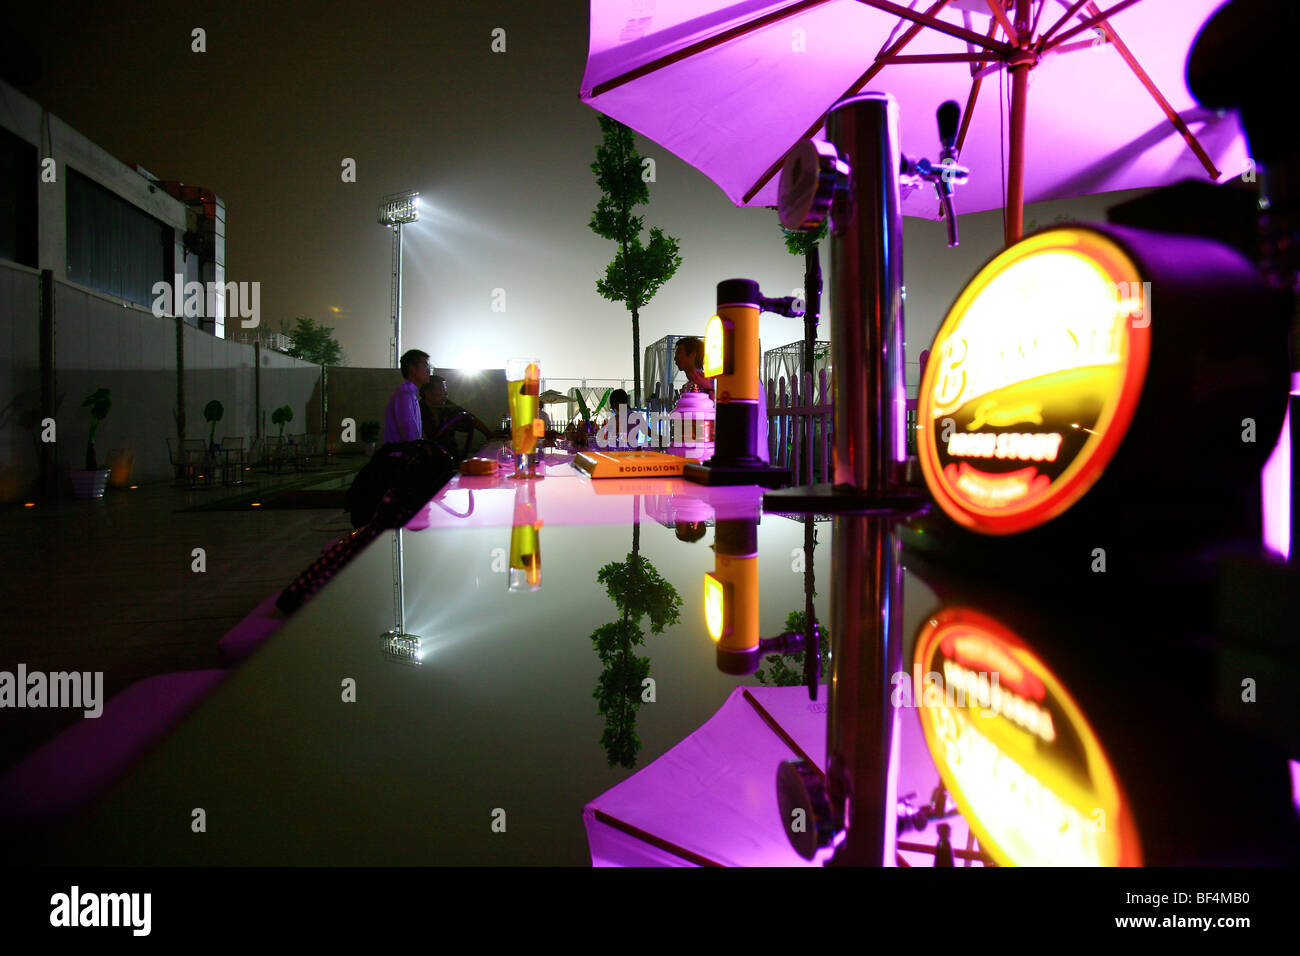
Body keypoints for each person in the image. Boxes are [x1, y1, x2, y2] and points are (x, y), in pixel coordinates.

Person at [420, 375, 494, 459]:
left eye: (445, 389)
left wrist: (489, 434)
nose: (446, 393)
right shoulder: (418, 410)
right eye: (442, 390)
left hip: (451, 458)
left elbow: (470, 418)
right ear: (428, 393)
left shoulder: (447, 406)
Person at [384, 349, 430, 443]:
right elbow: (410, 437)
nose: (429, 371)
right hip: (400, 456)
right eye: (425, 366)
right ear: (412, 369)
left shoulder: (410, 395)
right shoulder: (404, 396)